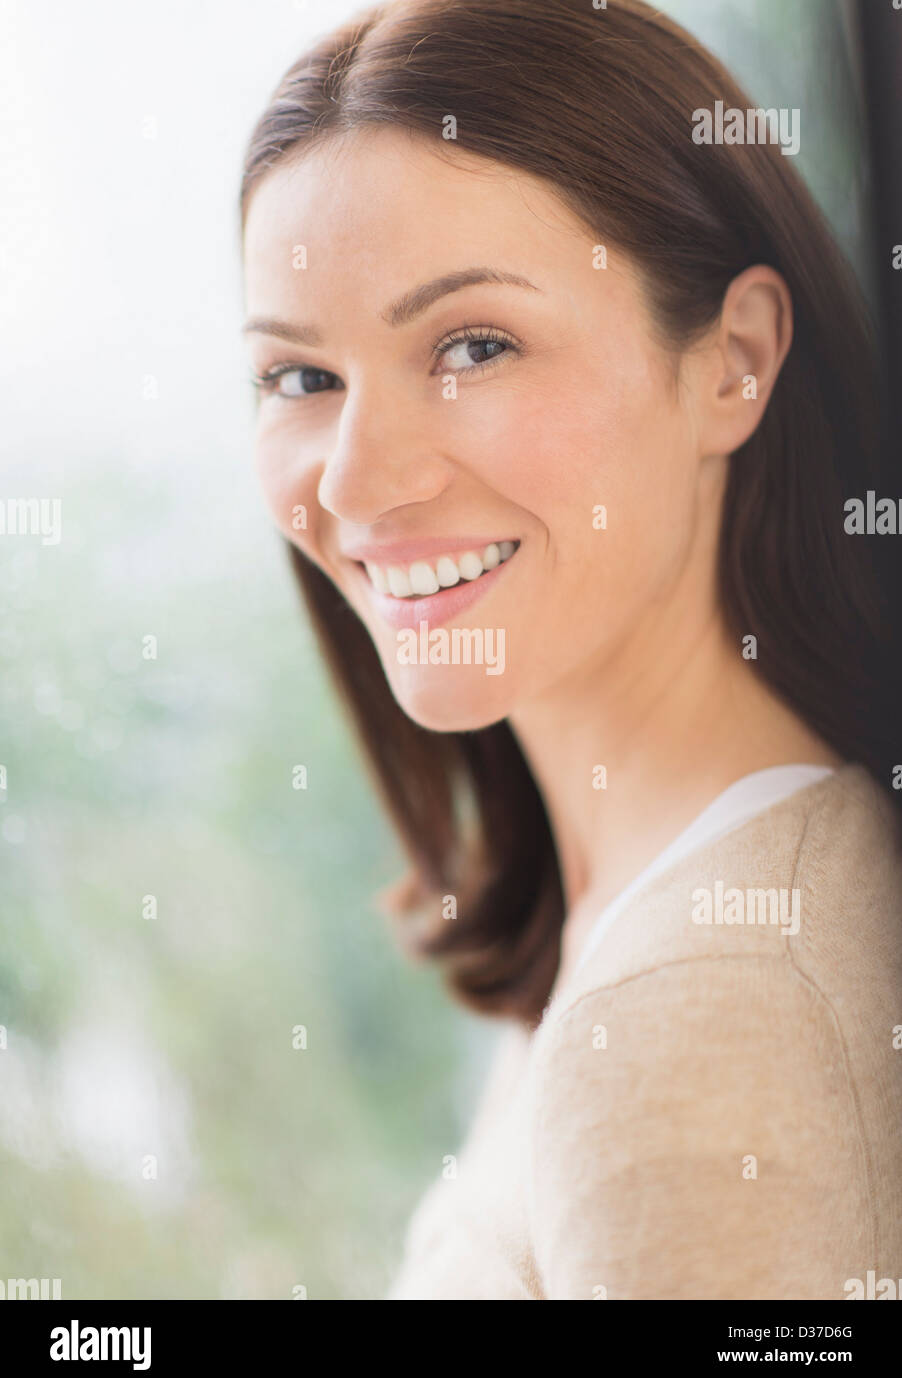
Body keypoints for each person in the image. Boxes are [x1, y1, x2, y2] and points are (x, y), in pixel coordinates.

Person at [239, 0, 902, 1298]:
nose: (360, 483)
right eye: (300, 378)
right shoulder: (641, 909)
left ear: (734, 362)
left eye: (472, 346)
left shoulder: (697, 1011)